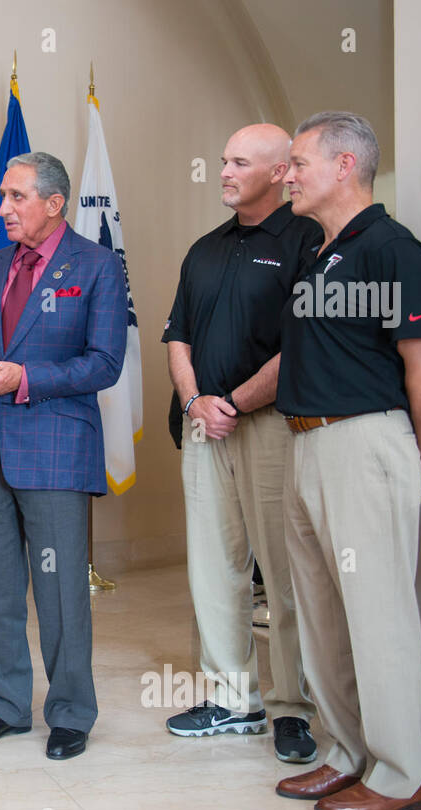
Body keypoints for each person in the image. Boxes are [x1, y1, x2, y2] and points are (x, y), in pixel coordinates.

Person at [274, 111, 421, 810]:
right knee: (323, 615)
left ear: (345, 167)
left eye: (298, 162)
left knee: (378, 616)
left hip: (365, 443)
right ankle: (348, 755)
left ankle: (405, 771)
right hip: (307, 444)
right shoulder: (320, 252)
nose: (288, 174)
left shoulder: (394, 249)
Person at [0, 152, 124, 760]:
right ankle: (5, 705)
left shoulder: (98, 265)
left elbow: (105, 363)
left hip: (54, 449)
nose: (3, 209)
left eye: (16, 197)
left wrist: (25, 378)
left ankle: (72, 712)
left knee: (59, 590)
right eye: (3, 196)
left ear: (55, 204)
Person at [160, 124, 322, 761]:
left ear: (282, 172)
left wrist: (235, 401)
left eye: (239, 162)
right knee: (213, 567)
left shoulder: (309, 242)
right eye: (222, 159)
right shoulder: (204, 249)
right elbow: (177, 337)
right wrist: (197, 401)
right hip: (204, 429)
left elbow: (302, 343)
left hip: (273, 427)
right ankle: (233, 701)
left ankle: (292, 708)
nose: (223, 171)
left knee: (283, 575)